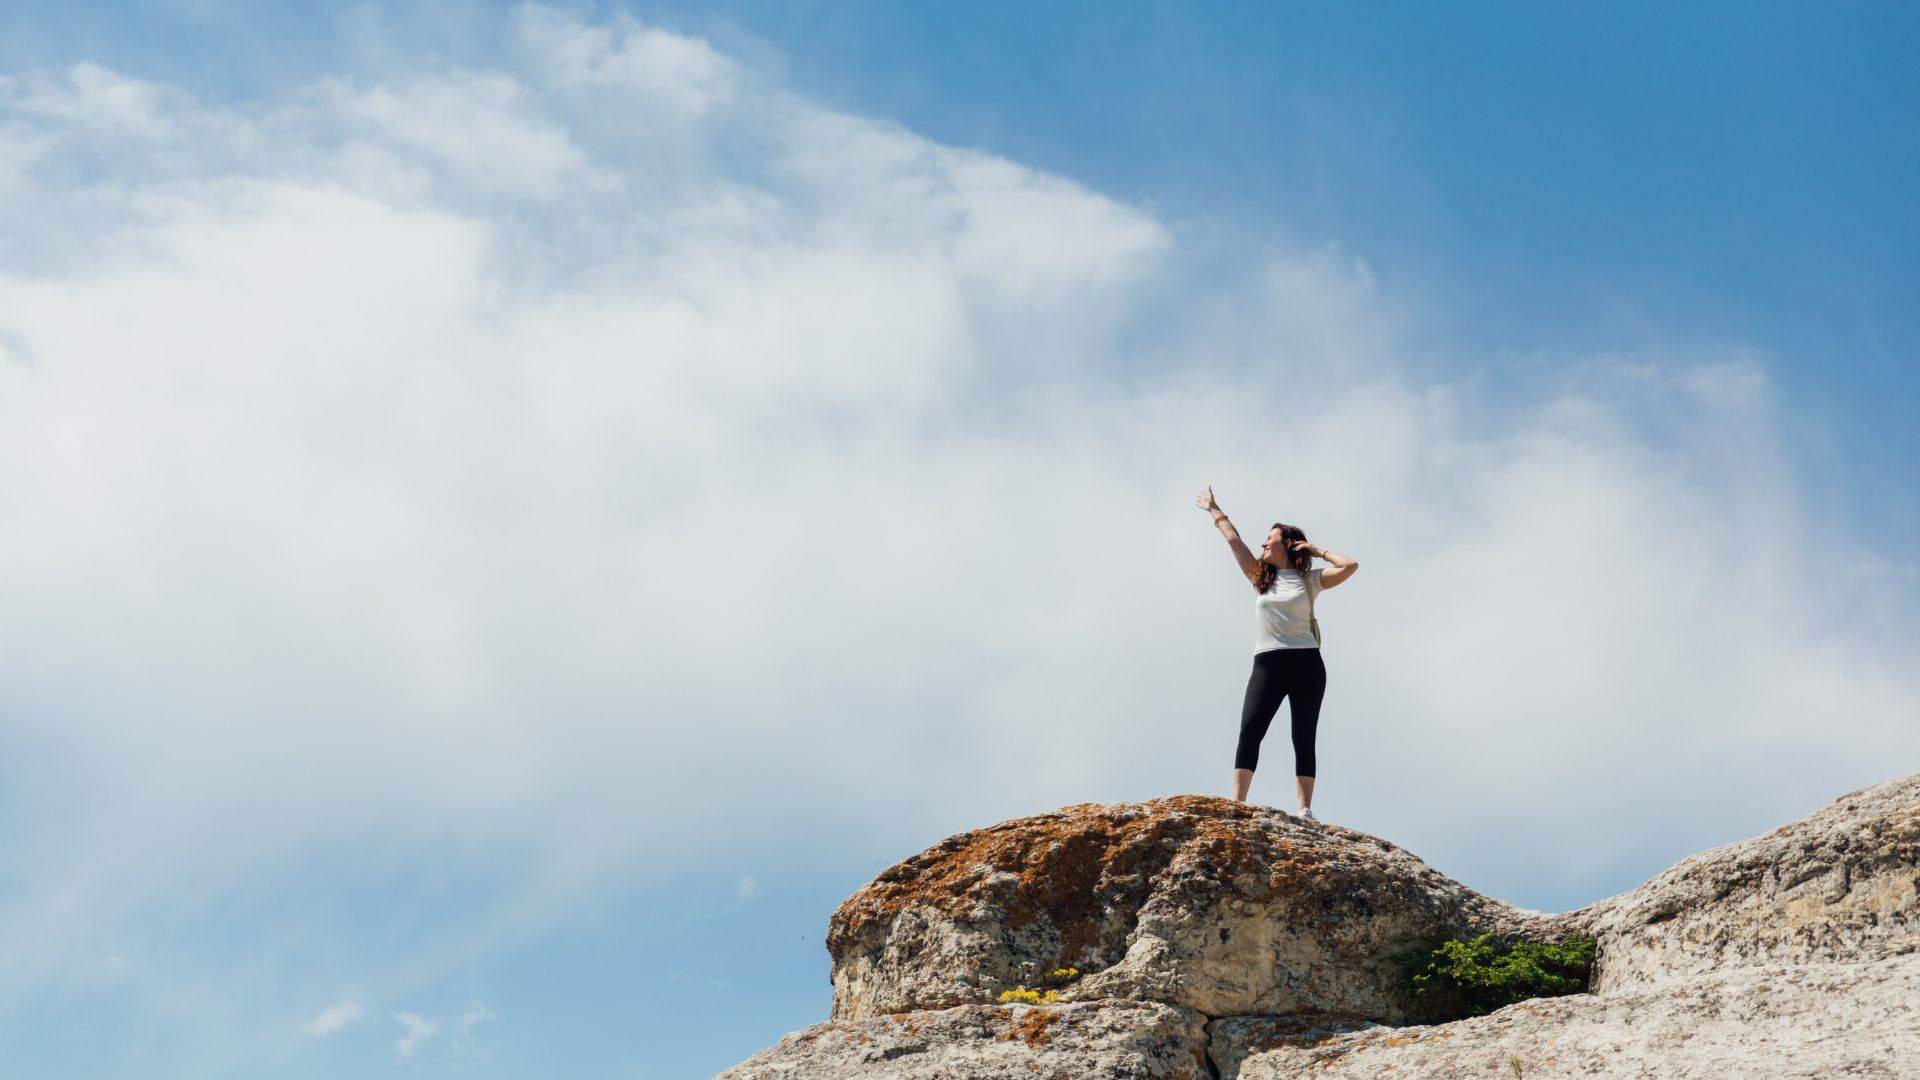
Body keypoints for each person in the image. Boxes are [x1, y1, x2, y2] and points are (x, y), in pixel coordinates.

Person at [1195, 485, 1359, 821]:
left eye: (1270, 538)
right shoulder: (1260, 577)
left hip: (1306, 663)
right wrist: (1214, 509)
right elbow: (1233, 540)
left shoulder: (1309, 579)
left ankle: (1305, 810)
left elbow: (1351, 566)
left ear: (1287, 544)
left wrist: (1317, 550)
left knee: (1303, 734)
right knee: (1250, 728)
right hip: (1267, 662)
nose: (1263, 543)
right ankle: (1238, 805)